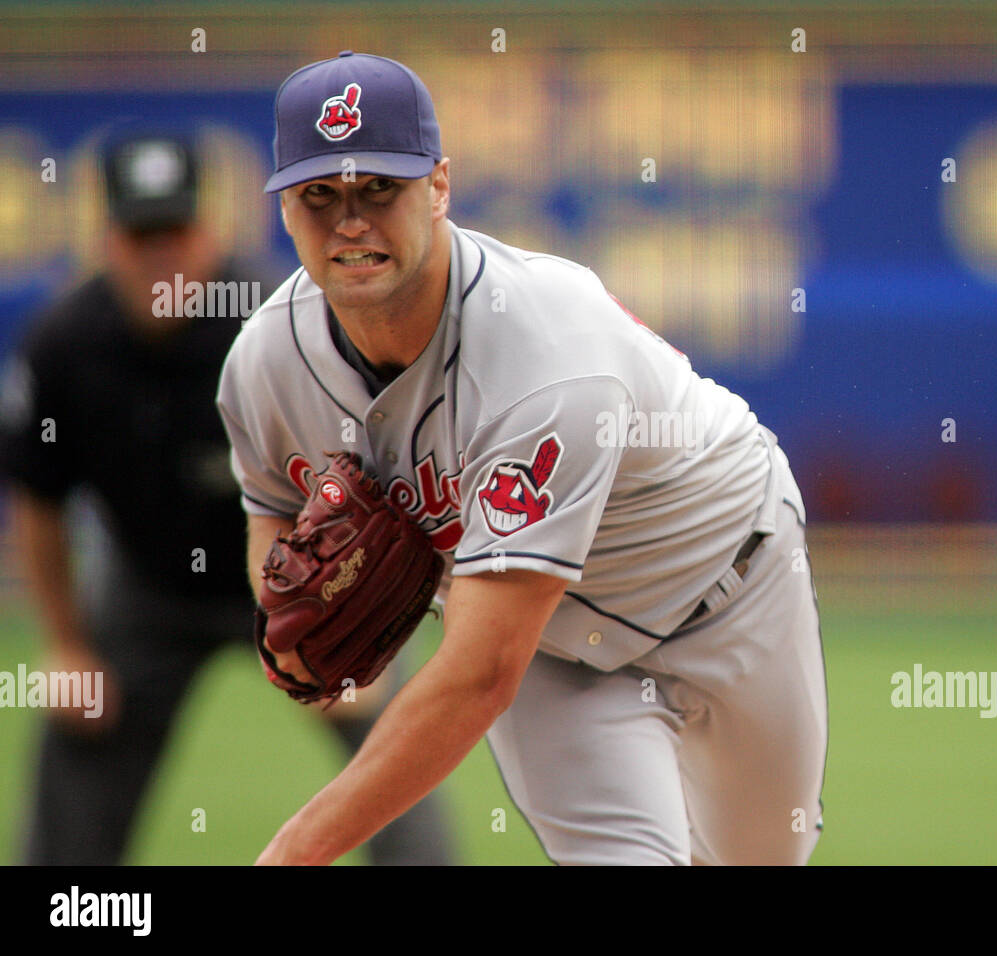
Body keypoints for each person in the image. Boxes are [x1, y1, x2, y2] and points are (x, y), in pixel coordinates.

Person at [219, 51, 828, 866]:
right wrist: (286, 620)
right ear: (284, 209)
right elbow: (273, 515)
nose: (349, 222)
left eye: (379, 190)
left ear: (439, 187)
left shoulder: (544, 353)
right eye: (319, 195)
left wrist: (293, 852)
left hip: (733, 586)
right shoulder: (265, 362)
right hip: (554, 651)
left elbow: (477, 674)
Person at [0, 128, 454, 865]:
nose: (161, 255)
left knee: (395, 734)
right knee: (77, 726)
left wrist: (364, 628)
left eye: (175, 232)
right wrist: (65, 644)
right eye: (140, 235)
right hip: (147, 584)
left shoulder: (283, 327)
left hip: (299, 572)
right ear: (106, 241)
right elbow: (38, 495)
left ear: (209, 232)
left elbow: (381, 461)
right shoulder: (65, 342)